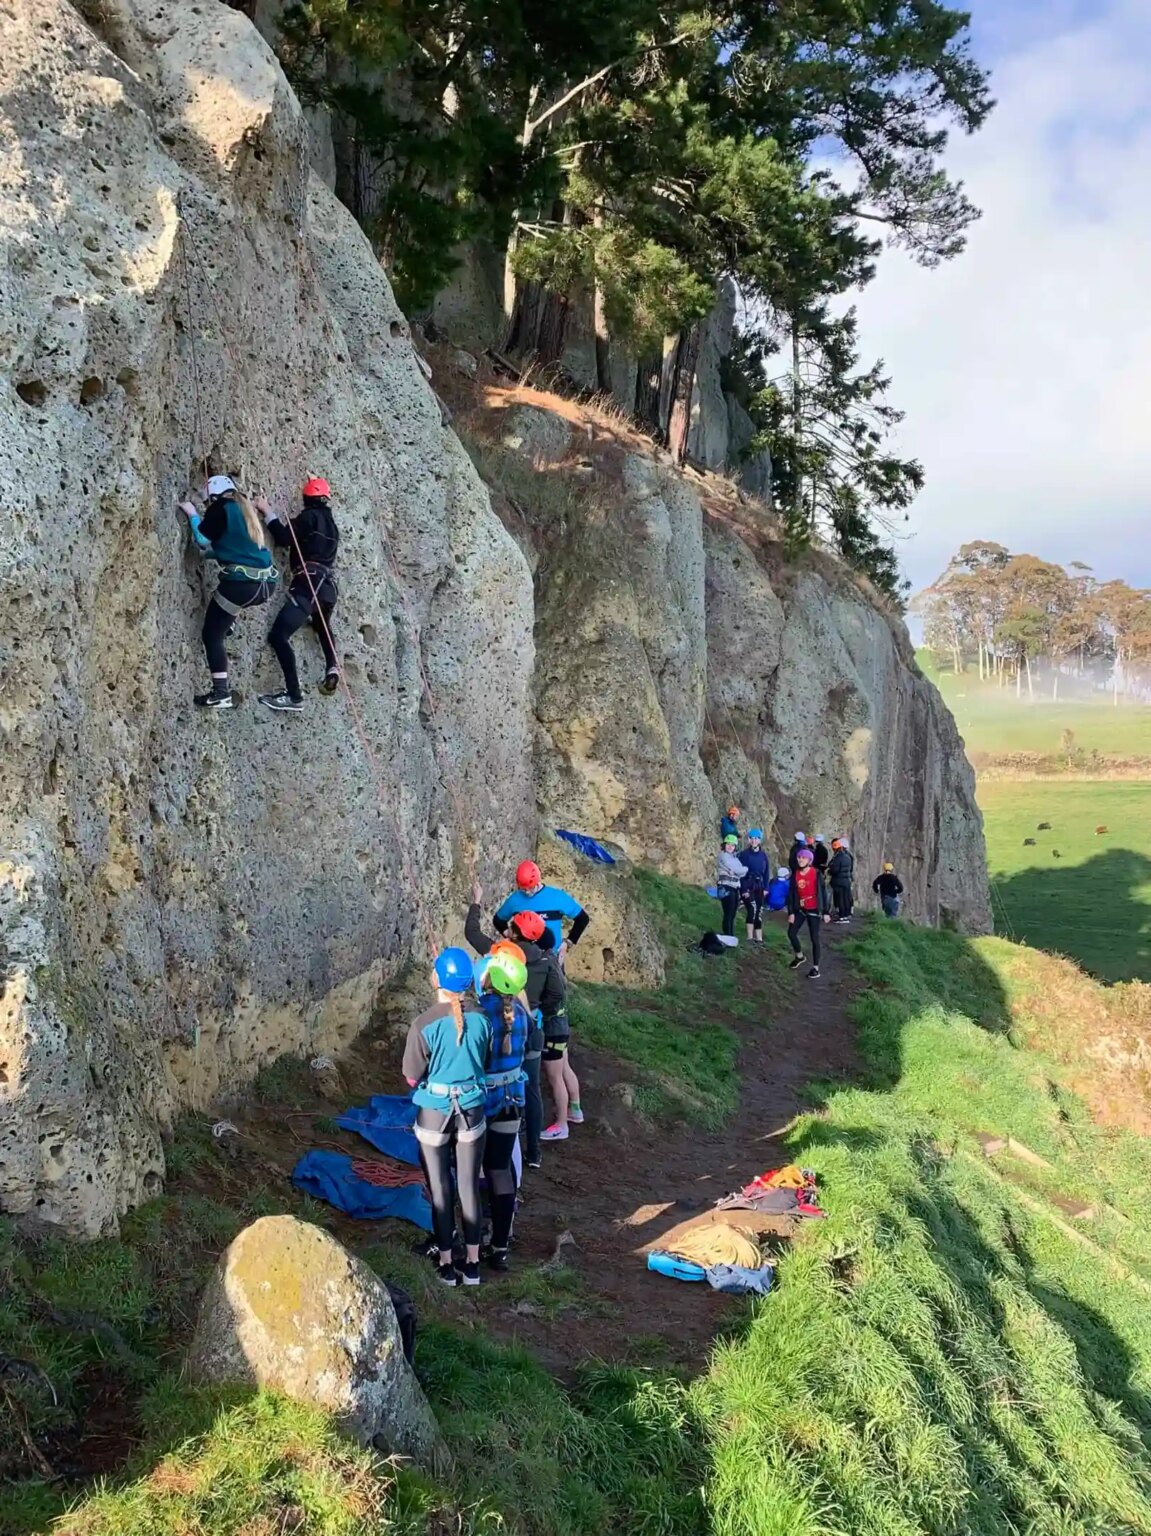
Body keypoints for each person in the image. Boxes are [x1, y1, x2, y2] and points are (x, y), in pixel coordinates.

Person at [401, 947, 491, 1287]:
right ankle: (472, 1265)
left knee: (440, 1190)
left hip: (435, 1112)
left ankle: (444, 1264)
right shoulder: (484, 1018)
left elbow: (411, 1077)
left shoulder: (423, 1023)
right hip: (471, 1110)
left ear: (437, 978)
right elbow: (486, 1061)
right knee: (468, 1186)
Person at [466, 888, 567, 1169]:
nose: (506, 928)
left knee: (493, 1079)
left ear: (515, 933)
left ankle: (486, 1147)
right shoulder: (547, 960)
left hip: (506, 1026)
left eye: (510, 926)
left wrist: (476, 901)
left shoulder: (503, 953)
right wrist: (536, 1011)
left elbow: (472, 933)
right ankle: (533, 1152)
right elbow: (557, 995)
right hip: (530, 1028)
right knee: (531, 1088)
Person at [180, 475, 278, 709]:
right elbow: (241, 547)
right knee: (224, 612)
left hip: (241, 585)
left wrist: (192, 513)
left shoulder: (221, 507)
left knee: (212, 634)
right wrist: (214, 554)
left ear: (214, 495)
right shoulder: (244, 510)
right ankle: (229, 623)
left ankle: (220, 692)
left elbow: (203, 539)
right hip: (265, 584)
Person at [254, 479, 341, 712]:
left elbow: (283, 538)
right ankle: (332, 666)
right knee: (322, 625)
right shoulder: (332, 525)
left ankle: (294, 696)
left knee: (278, 635)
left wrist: (266, 511)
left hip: (307, 585)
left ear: (306, 499)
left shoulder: (308, 518)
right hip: (327, 589)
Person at [473, 951, 531, 1273]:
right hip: (513, 1100)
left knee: (478, 1171)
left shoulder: (481, 1015)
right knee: (500, 1170)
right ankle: (500, 1246)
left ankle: (478, 1237)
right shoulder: (521, 1013)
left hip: (484, 1102)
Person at [494, 861, 589, 967]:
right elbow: (498, 920)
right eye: (524, 889)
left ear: (538, 881)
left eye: (531, 888)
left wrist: (568, 942)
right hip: (522, 960)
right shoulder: (515, 899)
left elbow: (583, 919)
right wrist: (509, 934)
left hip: (551, 959)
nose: (527, 892)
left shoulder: (557, 897)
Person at [787, 846, 831, 979]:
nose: (800, 860)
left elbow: (823, 893)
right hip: (800, 909)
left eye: (803, 858)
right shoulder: (795, 874)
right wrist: (791, 912)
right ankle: (799, 956)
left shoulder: (816, 874)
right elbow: (791, 894)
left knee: (814, 938)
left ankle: (816, 968)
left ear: (809, 860)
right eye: (799, 857)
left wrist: (825, 911)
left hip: (814, 909)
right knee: (791, 933)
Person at [740, 829, 770, 943]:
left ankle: (759, 938)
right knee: (752, 910)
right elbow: (741, 874)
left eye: (756, 838)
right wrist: (744, 889)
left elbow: (767, 872)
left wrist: (766, 887)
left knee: (759, 911)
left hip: (760, 886)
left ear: (760, 840)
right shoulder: (744, 855)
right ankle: (749, 937)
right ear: (748, 840)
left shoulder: (763, 855)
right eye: (751, 838)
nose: (754, 840)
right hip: (748, 885)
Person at [716, 834, 747, 938]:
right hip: (725, 886)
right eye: (728, 844)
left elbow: (742, 871)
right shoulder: (723, 856)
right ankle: (727, 935)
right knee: (728, 912)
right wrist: (740, 870)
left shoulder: (735, 859)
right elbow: (739, 870)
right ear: (724, 845)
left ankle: (730, 935)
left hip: (734, 887)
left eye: (732, 845)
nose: (730, 847)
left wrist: (740, 870)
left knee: (733, 912)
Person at [828, 838, 855, 923]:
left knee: (840, 899)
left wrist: (829, 871)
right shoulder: (848, 857)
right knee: (845, 898)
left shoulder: (838, 857)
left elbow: (835, 870)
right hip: (846, 880)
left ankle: (842, 916)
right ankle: (846, 915)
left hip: (839, 880)